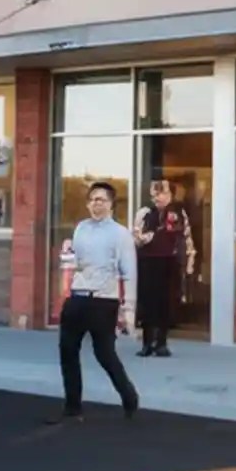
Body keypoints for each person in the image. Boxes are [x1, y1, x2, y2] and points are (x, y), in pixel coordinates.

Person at [46, 181, 139, 424]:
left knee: (104, 354)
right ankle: (73, 407)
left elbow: (129, 273)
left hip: (103, 301)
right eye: (93, 199)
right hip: (77, 296)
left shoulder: (120, 234)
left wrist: (128, 309)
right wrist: (68, 253)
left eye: (102, 200)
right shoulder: (81, 228)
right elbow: (75, 261)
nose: (96, 204)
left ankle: (129, 397)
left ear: (111, 204)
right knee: (67, 350)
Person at [133, 179, 194, 357]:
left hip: (169, 261)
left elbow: (184, 235)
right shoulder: (145, 213)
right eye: (154, 195)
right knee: (147, 302)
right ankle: (146, 343)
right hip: (148, 262)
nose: (156, 198)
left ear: (170, 195)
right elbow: (136, 235)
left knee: (166, 303)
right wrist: (141, 239)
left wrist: (189, 262)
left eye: (160, 194)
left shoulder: (177, 213)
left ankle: (161, 342)